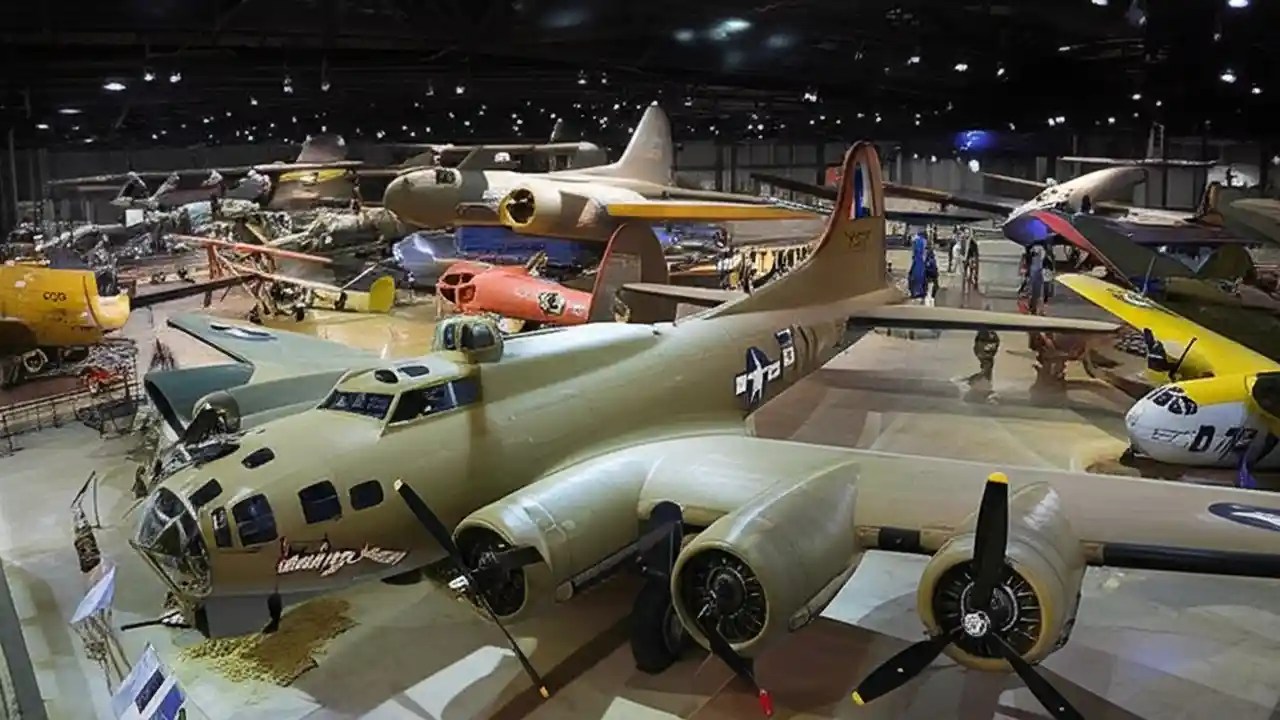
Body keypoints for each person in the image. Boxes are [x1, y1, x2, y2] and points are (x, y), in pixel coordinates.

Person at [908, 231, 929, 300]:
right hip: (921, 262)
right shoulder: (923, 241)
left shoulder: (917, 241)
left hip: (918, 262)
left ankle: (916, 292)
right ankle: (920, 292)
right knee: (920, 277)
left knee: (915, 276)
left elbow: (916, 253)